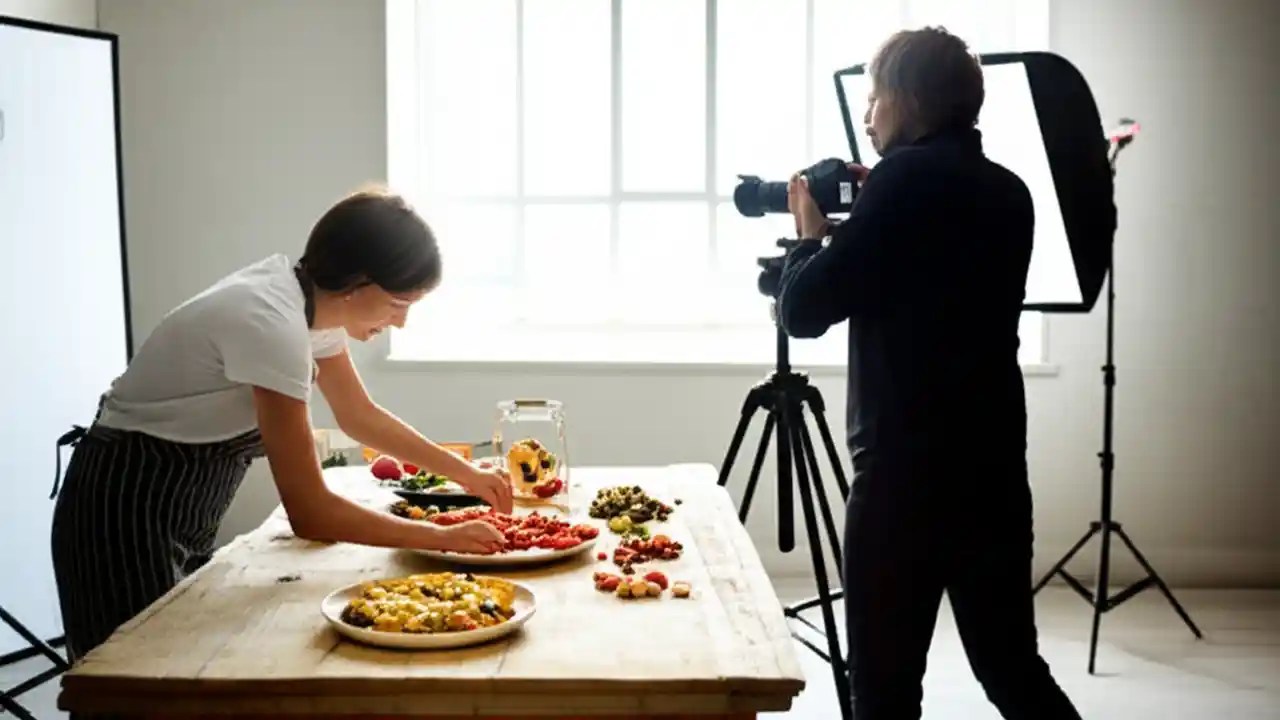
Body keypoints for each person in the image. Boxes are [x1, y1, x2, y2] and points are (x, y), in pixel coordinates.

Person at [50, 186, 514, 665]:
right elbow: (310, 513)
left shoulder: (314, 308)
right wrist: (441, 538)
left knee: (178, 676)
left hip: (178, 505)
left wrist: (467, 475)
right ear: (358, 281)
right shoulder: (271, 323)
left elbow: (360, 416)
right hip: (122, 507)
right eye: (400, 302)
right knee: (127, 684)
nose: (402, 322)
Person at [777, 27, 1083, 720]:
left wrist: (809, 235)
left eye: (875, 99)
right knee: (1011, 668)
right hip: (994, 473)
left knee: (882, 688)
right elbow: (926, 262)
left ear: (908, 100)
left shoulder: (900, 183)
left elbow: (803, 311)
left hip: (901, 484)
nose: (867, 117)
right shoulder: (1010, 192)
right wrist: (873, 205)